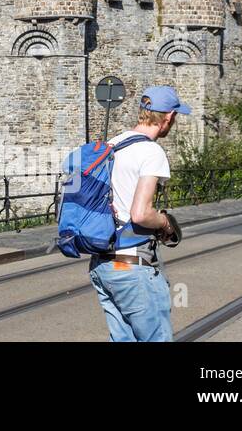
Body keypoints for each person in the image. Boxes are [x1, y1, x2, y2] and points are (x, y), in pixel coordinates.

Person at [88, 86, 187, 343]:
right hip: (131, 266)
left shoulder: (113, 144)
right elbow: (141, 214)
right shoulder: (151, 151)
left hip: (103, 264)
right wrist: (165, 222)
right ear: (168, 118)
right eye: (174, 118)